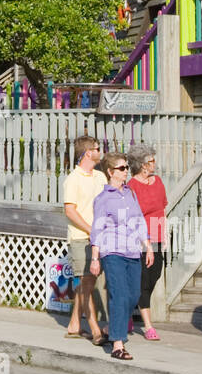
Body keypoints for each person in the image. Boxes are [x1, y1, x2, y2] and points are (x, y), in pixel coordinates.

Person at [89, 154, 153, 361]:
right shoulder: (103, 199)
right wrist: (95, 258)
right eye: (122, 168)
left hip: (133, 250)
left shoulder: (130, 194)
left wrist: (148, 246)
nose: (126, 170)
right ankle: (118, 344)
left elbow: (139, 221)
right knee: (119, 295)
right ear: (110, 172)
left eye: (127, 167)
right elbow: (97, 228)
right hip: (112, 251)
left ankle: (110, 327)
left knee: (133, 296)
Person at [62, 135, 106, 343]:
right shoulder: (73, 179)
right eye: (98, 148)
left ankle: (74, 325)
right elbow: (70, 211)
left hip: (100, 238)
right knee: (86, 282)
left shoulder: (100, 177)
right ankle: (95, 330)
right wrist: (90, 229)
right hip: (81, 238)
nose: (100, 151)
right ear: (89, 152)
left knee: (87, 284)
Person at [125, 143, 168, 341]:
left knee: (154, 276)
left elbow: (163, 209)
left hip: (159, 236)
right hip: (141, 239)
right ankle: (148, 326)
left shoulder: (158, 181)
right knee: (143, 281)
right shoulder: (131, 187)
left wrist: (166, 234)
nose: (154, 163)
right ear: (142, 164)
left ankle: (128, 313)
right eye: (151, 160)